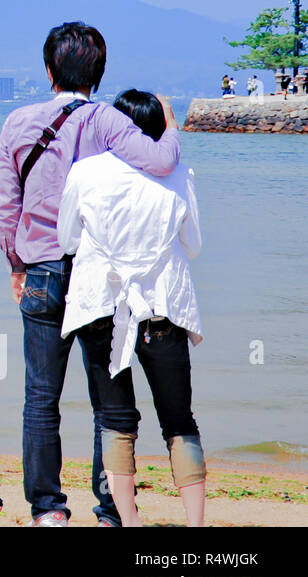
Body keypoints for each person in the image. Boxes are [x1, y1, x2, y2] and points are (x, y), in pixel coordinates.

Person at [0, 21, 181, 527]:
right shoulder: (107, 122)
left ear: (49, 70)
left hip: (40, 271)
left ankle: (48, 512)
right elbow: (162, 163)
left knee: (40, 396)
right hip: (97, 276)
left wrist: (16, 266)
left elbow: (6, 207)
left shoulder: (17, 123)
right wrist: (169, 120)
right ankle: (110, 512)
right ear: (98, 73)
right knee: (110, 401)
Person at [57, 90, 204, 527]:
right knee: (179, 421)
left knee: (117, 421)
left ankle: (129, 523)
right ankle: (195, 525)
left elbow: (67, 240)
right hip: (162, 309)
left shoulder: (84, 173)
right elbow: (193, 246)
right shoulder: (178, 174)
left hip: (102, 307)